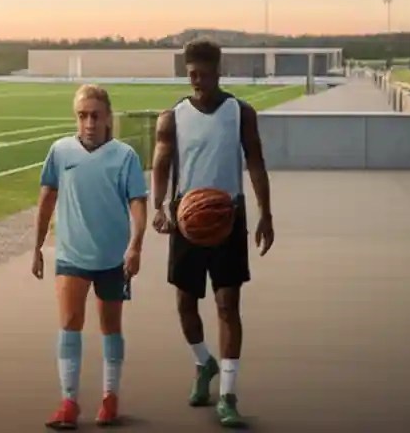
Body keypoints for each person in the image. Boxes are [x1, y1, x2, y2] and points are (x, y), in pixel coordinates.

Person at [151, 38, 274, 428]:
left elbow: (255, 162)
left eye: (204, 74)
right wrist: (159, 207)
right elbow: (161, 164)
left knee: (227, 305)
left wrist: (265, 214)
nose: (198, 81)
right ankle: (204, 362)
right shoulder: (172, 116)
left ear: (219, 71)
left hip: (227, 217)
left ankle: (228, 395)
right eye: (191, 75)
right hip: (187, 218)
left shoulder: (241, 113)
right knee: (186, 306)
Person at [34, 84, 149, 429]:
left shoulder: (124, 156)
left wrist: (136, 244)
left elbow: (138, 203)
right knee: (69, 324)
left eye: (95, 116)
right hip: (71, 254)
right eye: (82, 116)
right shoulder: (60, 151)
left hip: (113, 258)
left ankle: (110, 398)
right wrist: (37, 247)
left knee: (110, 327)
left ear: (108, 118)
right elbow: (46, 199)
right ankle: (69, 401)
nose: (88, 123)